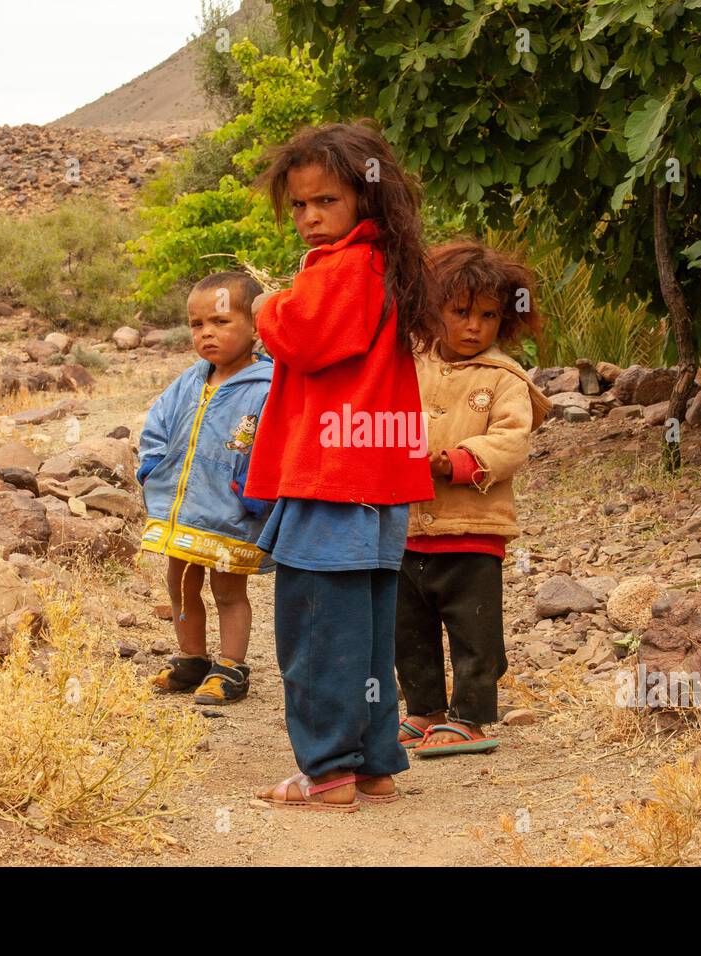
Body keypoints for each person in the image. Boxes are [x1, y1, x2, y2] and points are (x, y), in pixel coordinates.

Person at [245, 122, 435, 811]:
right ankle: (372, 764)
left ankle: (325, 772)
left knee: (318, 629)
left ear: (366, 197)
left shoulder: (346, 267)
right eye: (298, 206)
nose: (309, 219)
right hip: (376, 477)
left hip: (333, 472)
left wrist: (266, 305)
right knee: (365, 629)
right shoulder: (387, 263)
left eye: (324, 202)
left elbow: (304, 335)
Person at [395, 239, 551, 757]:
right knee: (408, 629)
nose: (473, 327)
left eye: (487, 316)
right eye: (459, 312)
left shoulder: (504, 378)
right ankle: (423, 711)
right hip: (406, 527)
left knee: (473, 628)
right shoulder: (407, 364)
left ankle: (470, 716)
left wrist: (458, 459)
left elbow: (512, 439)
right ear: (431, 308)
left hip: (473, 529)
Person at [136, 271, 274, 706]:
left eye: (220, 322)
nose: (207, 334)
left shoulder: (268, 386)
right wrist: (153, 466)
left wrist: (257, 488)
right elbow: (157, 423)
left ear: (255, 326)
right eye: (197, 325)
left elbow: (273, 442)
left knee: (228, 592)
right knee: (179, 586)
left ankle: (232, 667)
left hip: (231, 509)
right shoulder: (190, 381)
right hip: (183, 506)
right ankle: (191, 658)